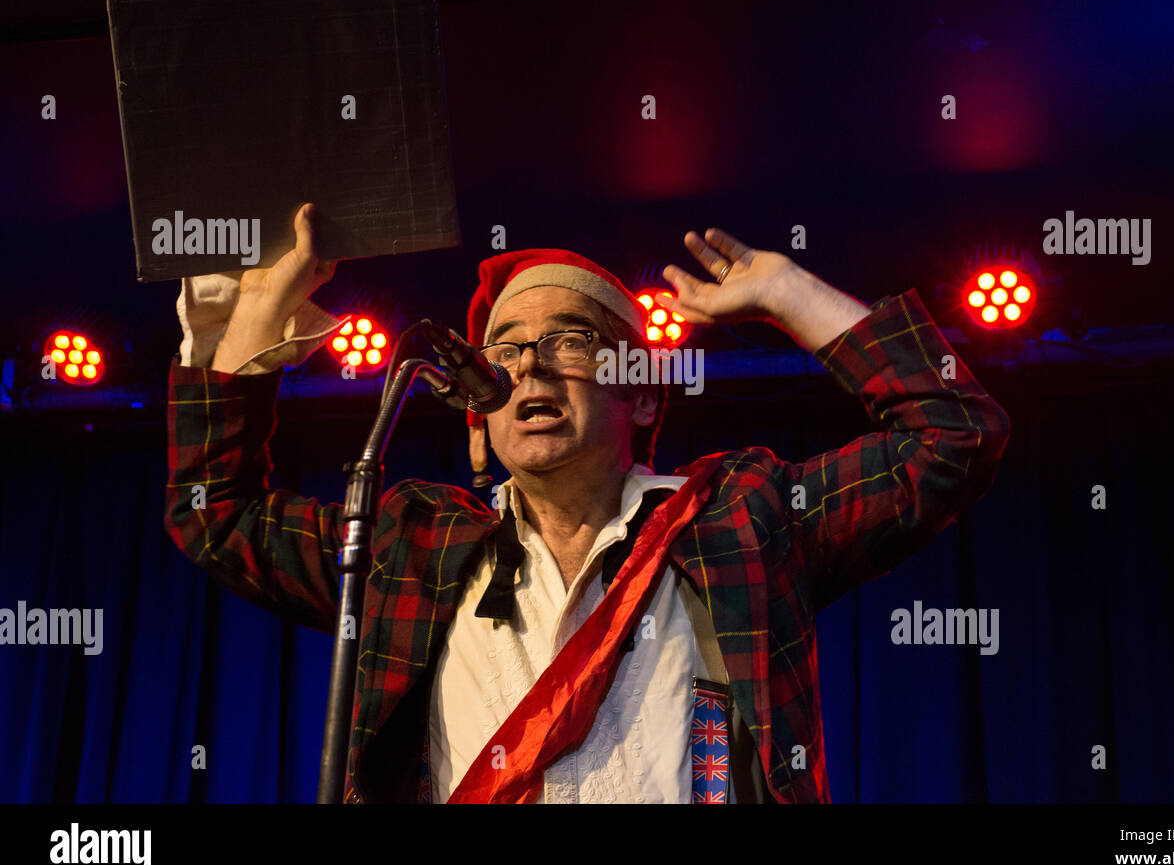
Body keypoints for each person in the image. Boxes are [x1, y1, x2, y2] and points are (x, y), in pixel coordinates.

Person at [164, 203, 1010, 803]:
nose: (530, 366)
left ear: (642, 394)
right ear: (477, 412)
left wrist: (790, 293)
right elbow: (215, 513)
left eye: (570, 342)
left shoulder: (736, 522)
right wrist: (249, 337)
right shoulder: (411, 546)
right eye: (505, 350)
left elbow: (952, 435)